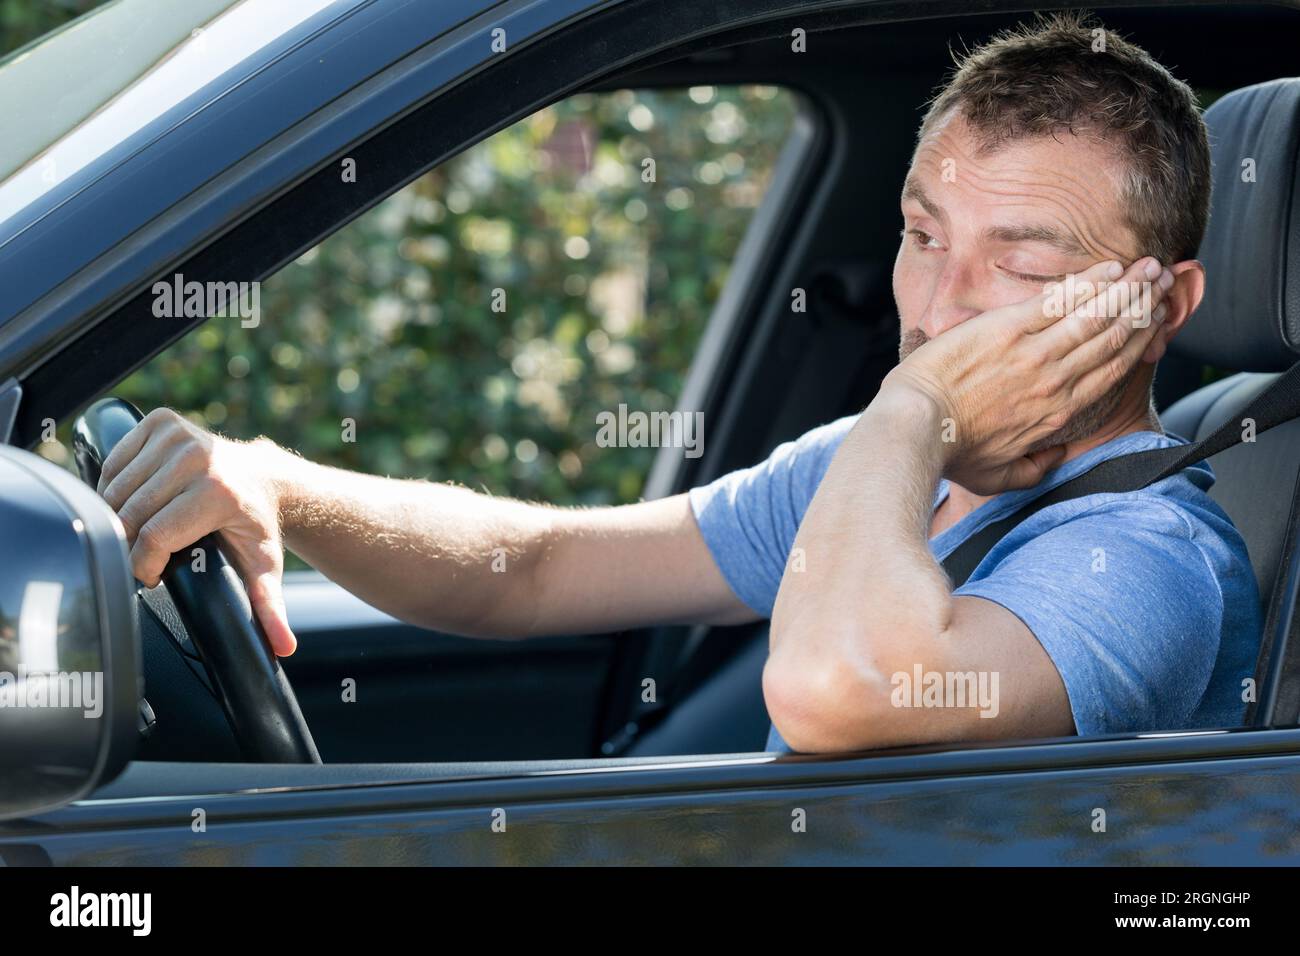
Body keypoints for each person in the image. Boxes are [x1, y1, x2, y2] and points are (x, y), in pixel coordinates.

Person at [96, 13, 1260, 754]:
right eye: (920, 234)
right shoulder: (887, 472)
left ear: (1160, 307)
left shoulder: (1143, 555)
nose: (941, 301)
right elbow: (536, 571)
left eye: (1022, 259)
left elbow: (833, 688)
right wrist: (283, 487)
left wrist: (914, 410)